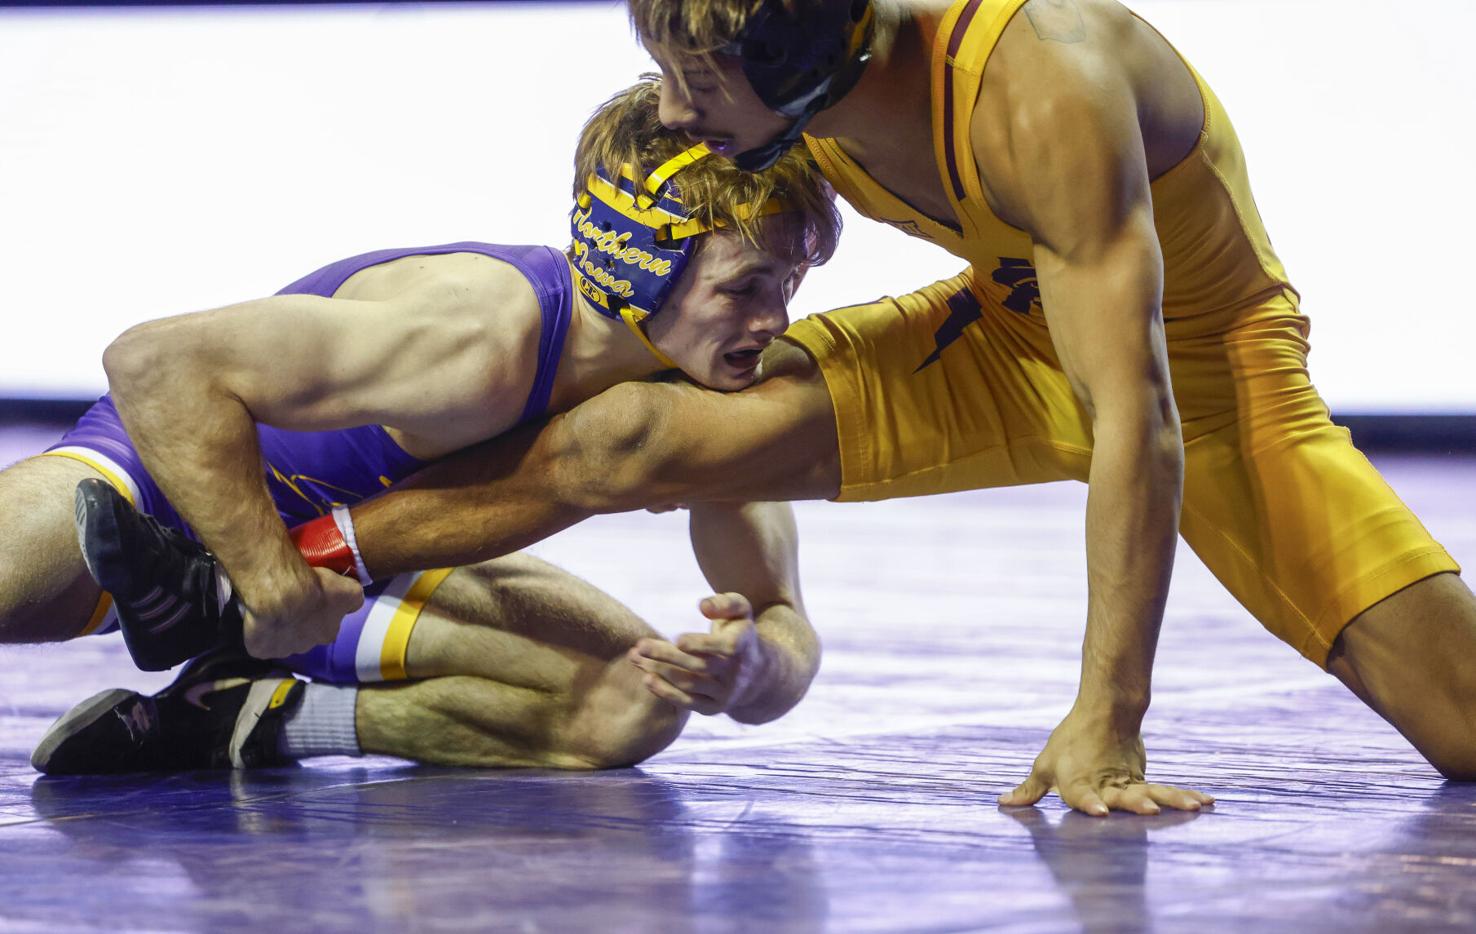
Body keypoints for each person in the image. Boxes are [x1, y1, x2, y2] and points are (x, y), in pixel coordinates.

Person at [63, 0, 1475, 816]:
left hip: (1202, 380)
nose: (679, 110)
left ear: (802, 67)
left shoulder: (1041, 87)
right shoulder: (795, 82)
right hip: (997, 332)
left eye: (698, 84)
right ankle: (243, 589)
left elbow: (1140, 421)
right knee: (627, 436)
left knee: (1466, 730)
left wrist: (1108, 715)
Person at [15, 78, 841, 774]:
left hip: (348, 571)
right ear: (643, 263)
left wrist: (753, 671)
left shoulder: (709, 397)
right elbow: (155, 365)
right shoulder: (479, 335)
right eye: (745, 287)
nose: (775, 320)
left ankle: (240, 717)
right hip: (161, 495)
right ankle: (236, 614)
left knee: (633, 702)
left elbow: (783, 618)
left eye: (789, 283)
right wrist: (266, 579)